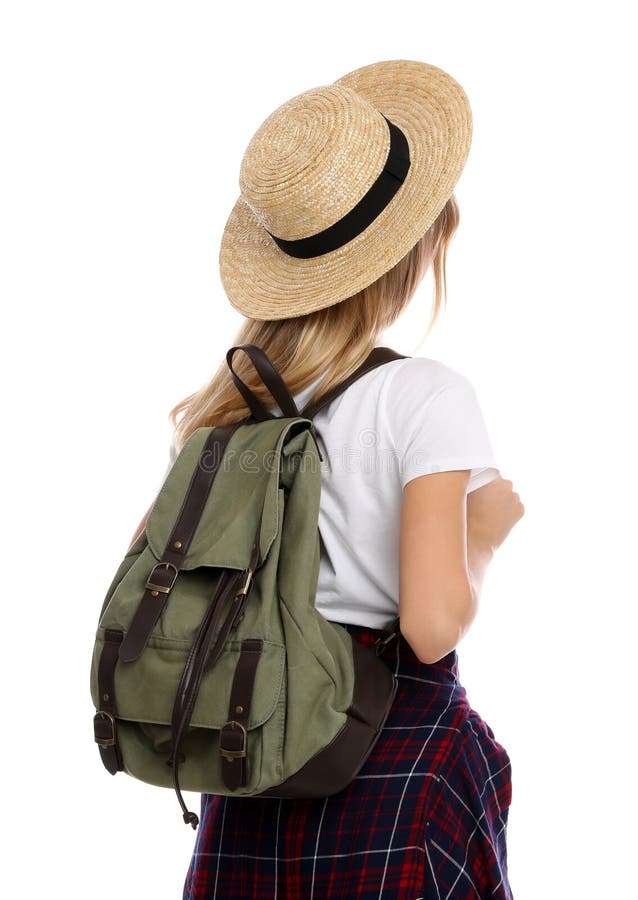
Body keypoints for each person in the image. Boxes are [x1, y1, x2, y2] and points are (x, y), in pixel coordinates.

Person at [133, 58, 524, 899]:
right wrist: (482, 536)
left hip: (247, 760)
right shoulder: (424, 397)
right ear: (417, 247)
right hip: (388, 752)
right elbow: (428, 628)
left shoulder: (217, 418)